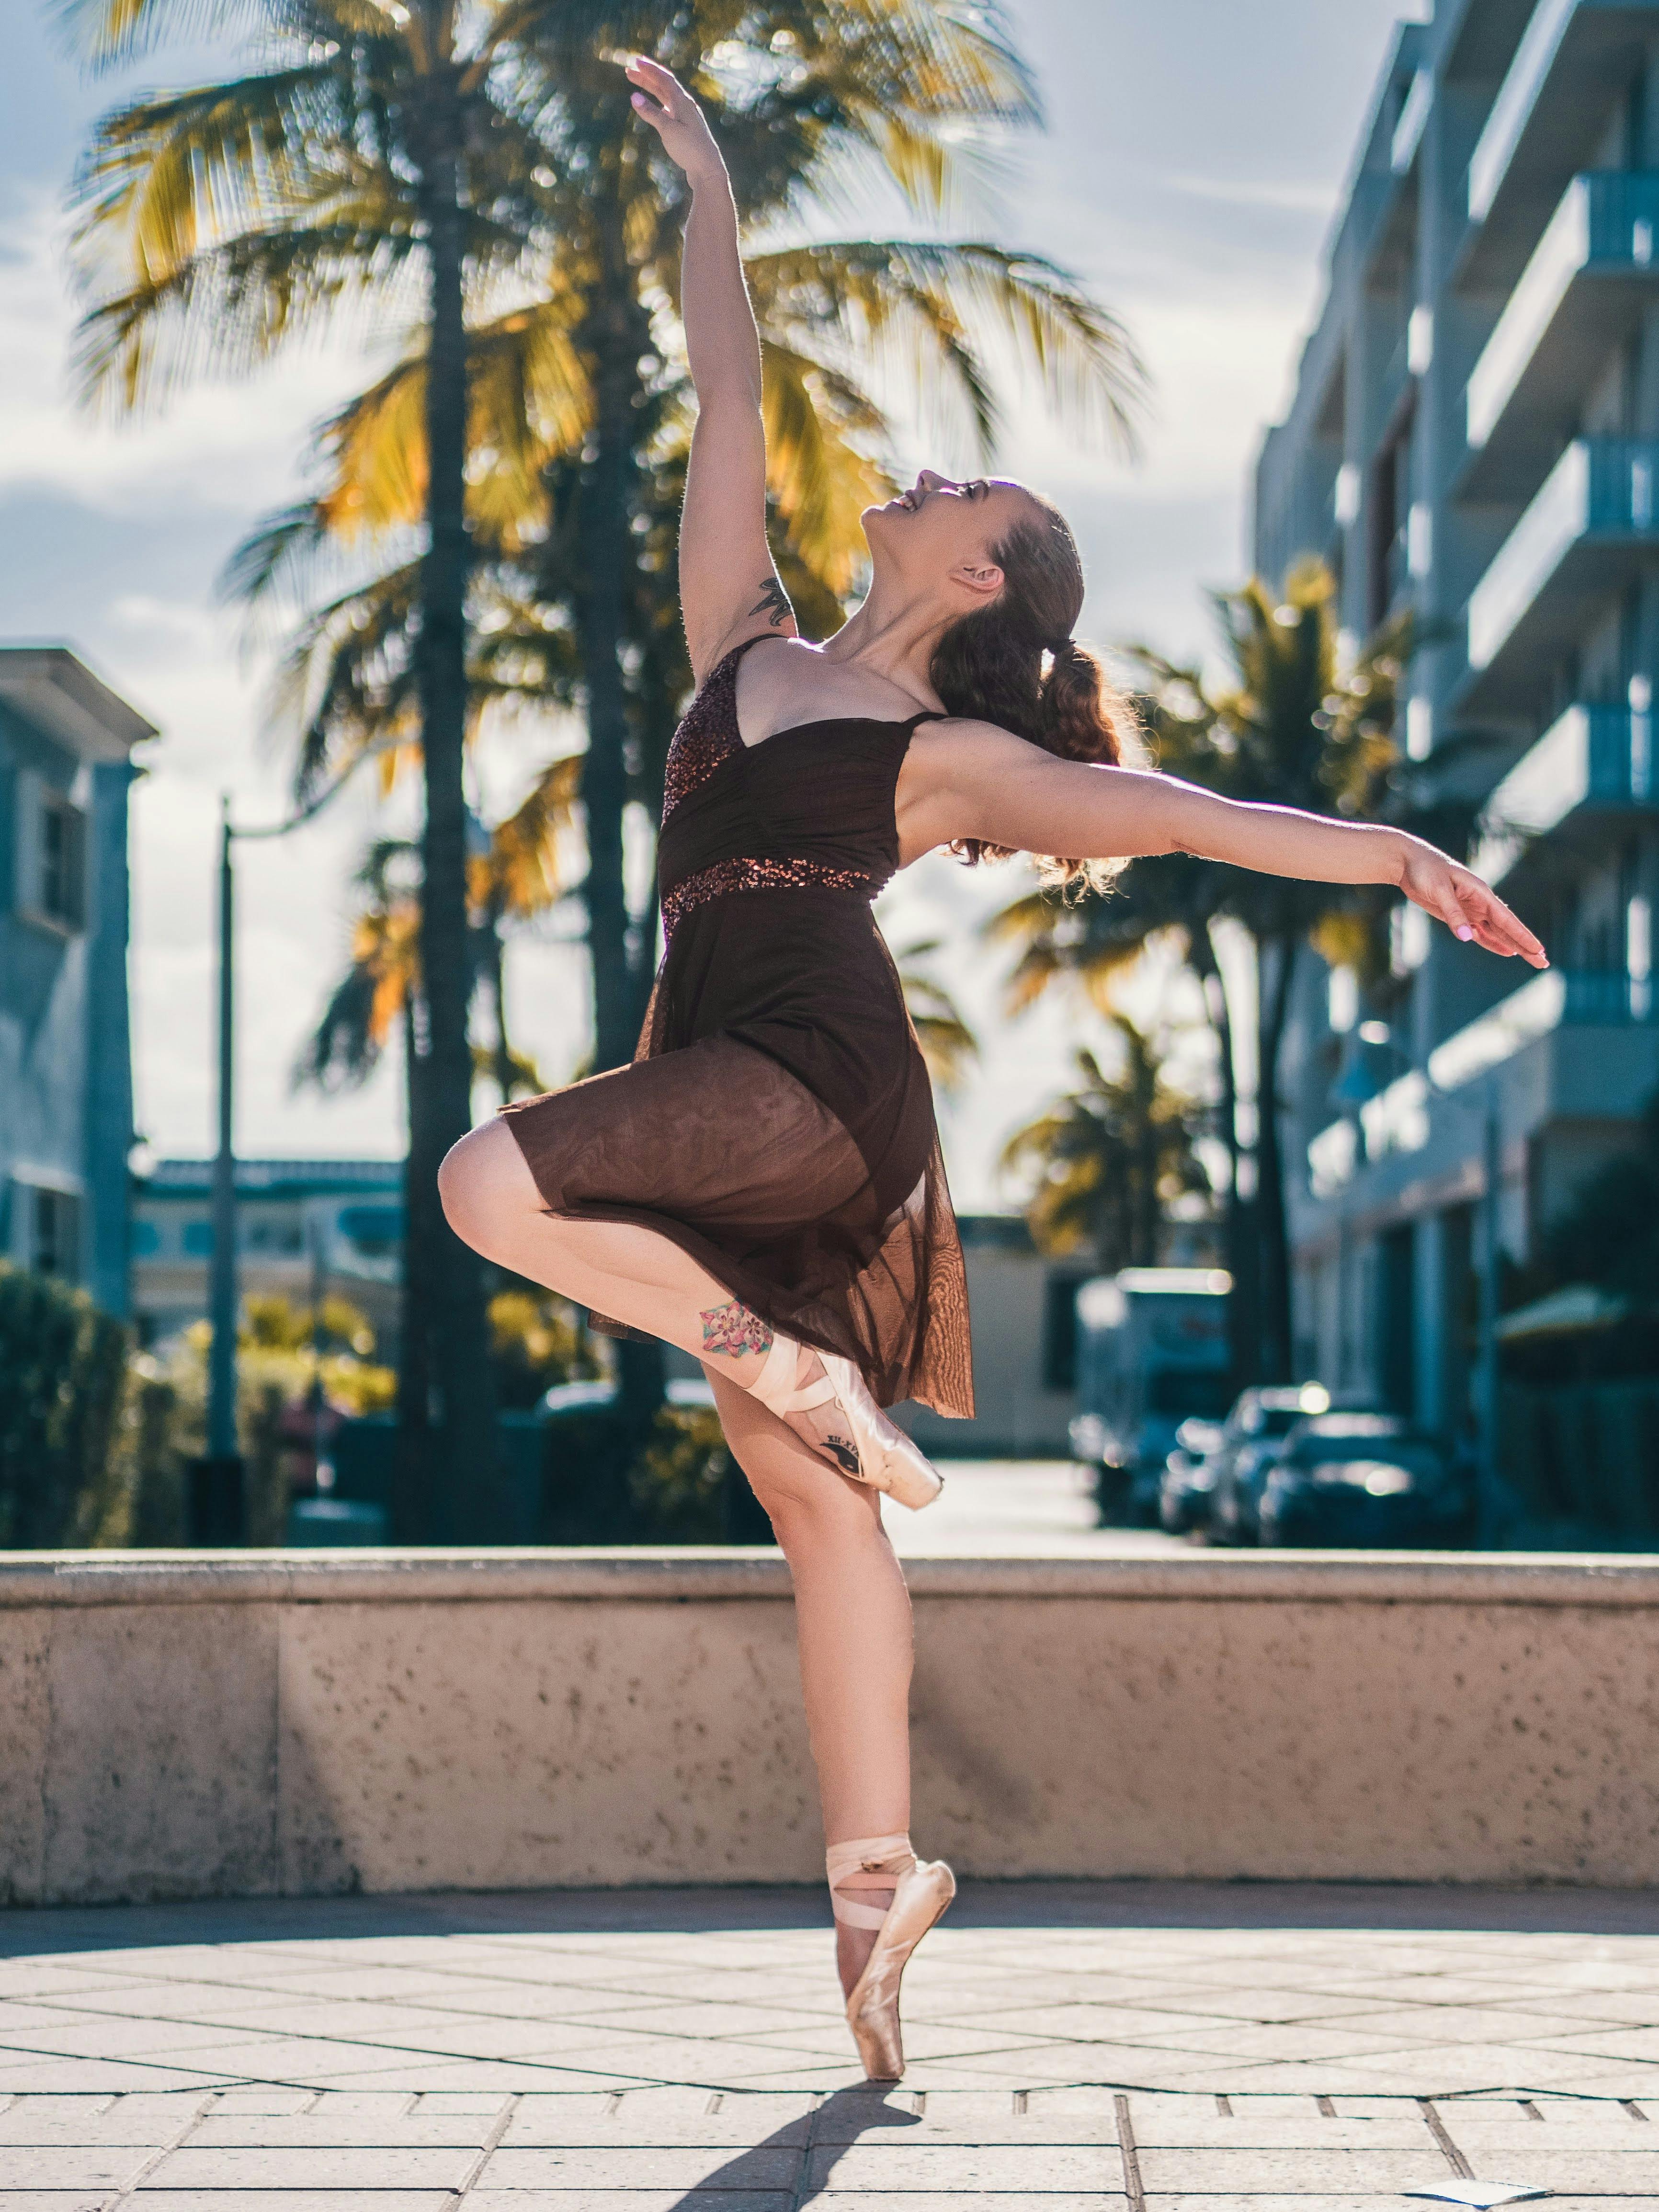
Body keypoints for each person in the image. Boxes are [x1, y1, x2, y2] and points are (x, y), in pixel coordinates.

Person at [437, 53, 1547, 2080]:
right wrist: (704, 187)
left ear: (977, 581)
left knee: (488, 1188)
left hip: (815, 1078)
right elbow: (728, 391)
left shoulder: (950, 762)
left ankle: (795, 1367)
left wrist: (1388, 853)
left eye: (974, 494)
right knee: (810, 1503)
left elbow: (1187, 813)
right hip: (716, 1066)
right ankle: (879, 1885)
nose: (936, 476)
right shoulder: (741, 641)